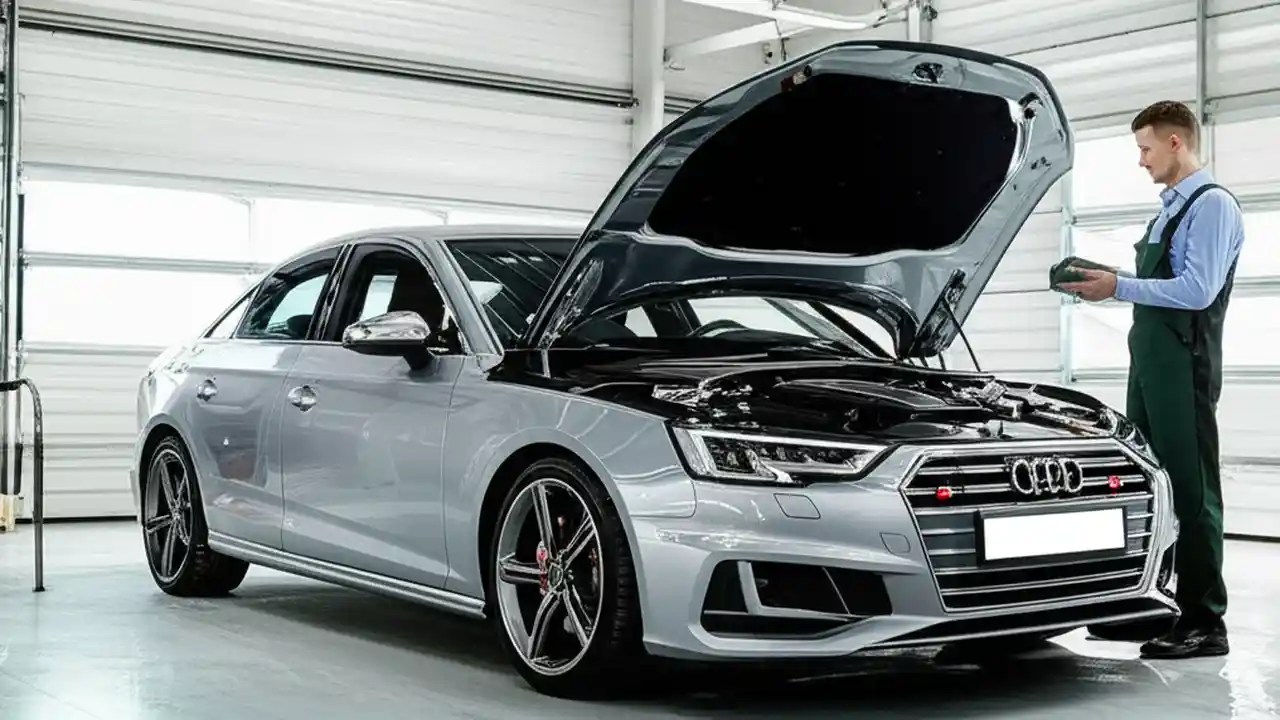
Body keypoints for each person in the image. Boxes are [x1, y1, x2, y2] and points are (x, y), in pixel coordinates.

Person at [1058, 100, 1243, 659]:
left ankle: (1205, 620)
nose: (1140, 161)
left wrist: (1119, 286)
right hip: (1151, 363)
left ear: (1175, 143)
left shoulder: (1211, 206)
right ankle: (1147, 605)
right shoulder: (1169, 209)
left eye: (1144, 148)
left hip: (1184, 366)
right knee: (1145, 485)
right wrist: (1105, 280)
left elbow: (1197, 291)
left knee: (1193, 493)